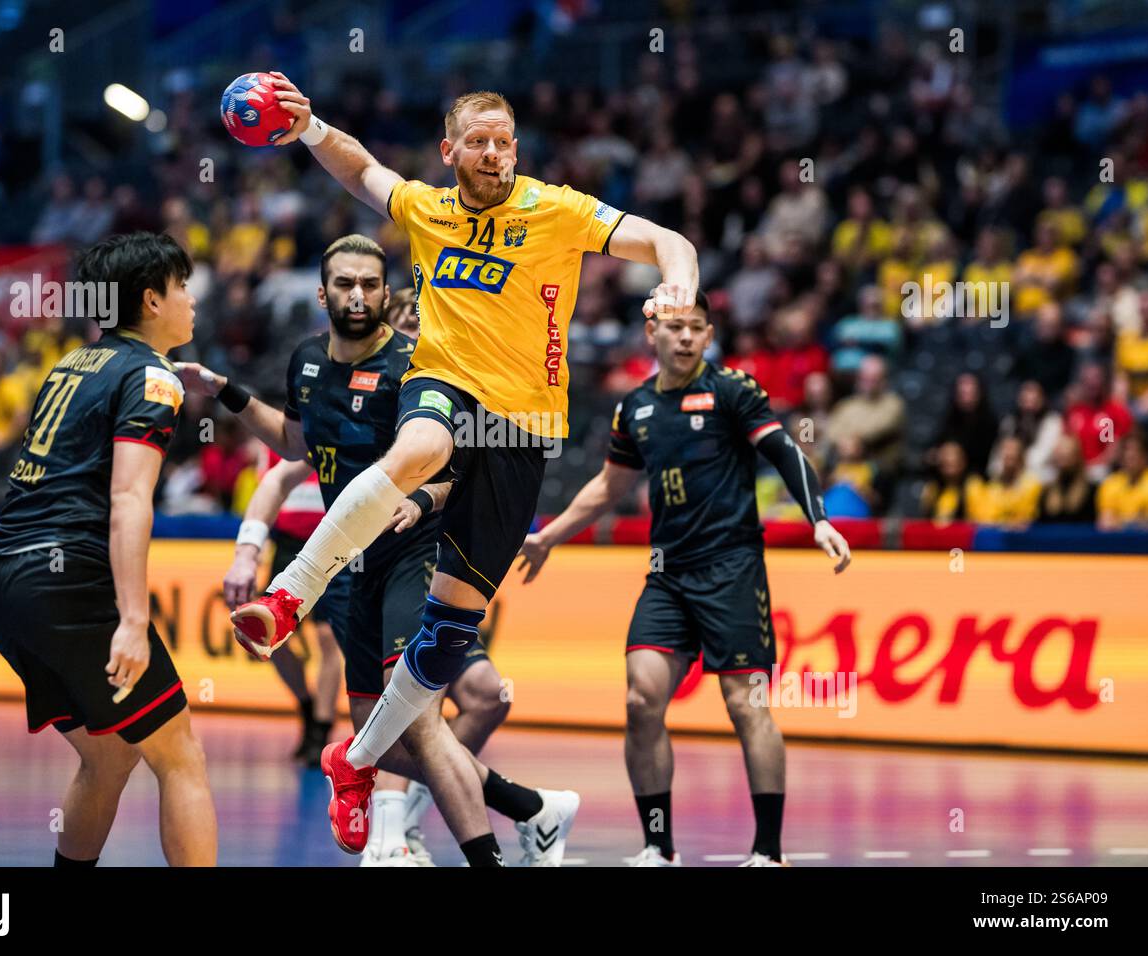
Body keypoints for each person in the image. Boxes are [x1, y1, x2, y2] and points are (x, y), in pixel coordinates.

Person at [222, 78, 699, 866]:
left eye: (503, 140)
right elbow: (361, 169)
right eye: (476, 141)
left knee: (446, 641)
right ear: (450, 152)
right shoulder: (428, 210)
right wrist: (309, 127)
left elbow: (668, 242)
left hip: (525, 426)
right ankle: (290, 594)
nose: (492, 154)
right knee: (417, 450)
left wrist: (676, 285)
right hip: (445, 389)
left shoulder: (556, 209)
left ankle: (356, 757)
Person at [180, 235, 579, 866]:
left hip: (413, 557)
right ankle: (534, 808)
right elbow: (291, 443)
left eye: (370, 284)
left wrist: (423, 501)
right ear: (323, 293)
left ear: (387, 292)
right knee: (381, 735)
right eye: (345, 284)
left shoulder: (417, 367)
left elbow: (465, 464)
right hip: (350, 571)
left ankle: (482, 856)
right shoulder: (308, 361)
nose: (358, 295)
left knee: (417, 721)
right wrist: (224, 390)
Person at [517, 293, 852, 867]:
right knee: (640, 698)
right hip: (666, 575)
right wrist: (548, 535)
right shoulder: (636, 408)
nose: (686, 337)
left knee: (745, 704)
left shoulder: (733, 391)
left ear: (709, 334)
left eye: (697, 328)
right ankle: (658, 846)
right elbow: (607, 488)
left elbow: (784, 451)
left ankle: (768, 853)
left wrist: (818, 518)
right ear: (653, 334)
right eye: (675, 327)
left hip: (731, 568)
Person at [0, 232, 216, 866]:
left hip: (2, 579)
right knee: (181, 755)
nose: (193, 299)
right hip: (70, 579)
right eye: (182, 286)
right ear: (150, 300)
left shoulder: (69, 364)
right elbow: (130, 500)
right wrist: (134, 621)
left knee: (111, 753)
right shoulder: (154, 380)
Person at [226, 451, 345, 765]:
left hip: (333, 544)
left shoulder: (337, 427)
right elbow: (268, 492)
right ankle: (306, 706)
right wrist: (251, 555)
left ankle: (321, 727)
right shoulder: (277, 443)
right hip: (289, 546)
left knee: (329, 639)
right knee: (267, 637)